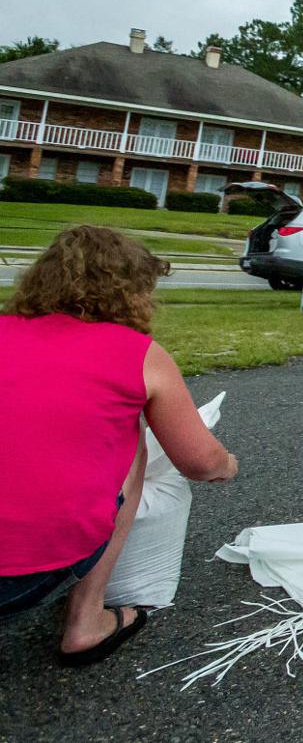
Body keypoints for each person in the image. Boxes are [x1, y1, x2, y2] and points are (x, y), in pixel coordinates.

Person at [1, 227, 238, 666]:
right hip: (24, 575)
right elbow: (199, 463)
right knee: (132, 447)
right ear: (131, 292)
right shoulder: (138, 353)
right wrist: (228, 464)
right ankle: (85, 620)